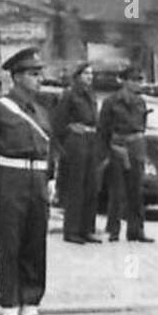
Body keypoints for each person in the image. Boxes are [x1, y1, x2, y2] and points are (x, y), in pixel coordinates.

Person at [0, 48, 65, 315]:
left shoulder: (41, 111)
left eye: (39, 73)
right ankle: (10, 314)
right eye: (33, 74)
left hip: (37, 182)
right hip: (10, 180)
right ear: (16, 77)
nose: (39, 79)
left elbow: (50, 146)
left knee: (35, 246)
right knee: (10, 246)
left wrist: (51, 178)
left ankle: (30, 311)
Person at [98, 65, 154, 243]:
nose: (138, 84)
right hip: (118, 146)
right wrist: (107, 150)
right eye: (134, 80)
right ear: (125, 81)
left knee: (136, 191)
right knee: (116, 192)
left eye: (140, 80)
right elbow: (103, 128)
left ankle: (136, 231)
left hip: (136, 146)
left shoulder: (141, 102)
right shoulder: (111, 101)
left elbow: (142, 126)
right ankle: (113, 230)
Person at [52, 61, 103, 245]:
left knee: (91, 186)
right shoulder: (69, 95)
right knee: (76, 187)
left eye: (91, 74)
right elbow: (58, 123)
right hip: (76, 142)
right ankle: (72, 230)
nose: (90, 77)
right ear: (77, 76)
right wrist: (70, 132)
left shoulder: (90, 95)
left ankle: (86, 229)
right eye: (86, 74)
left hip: (91, 140)